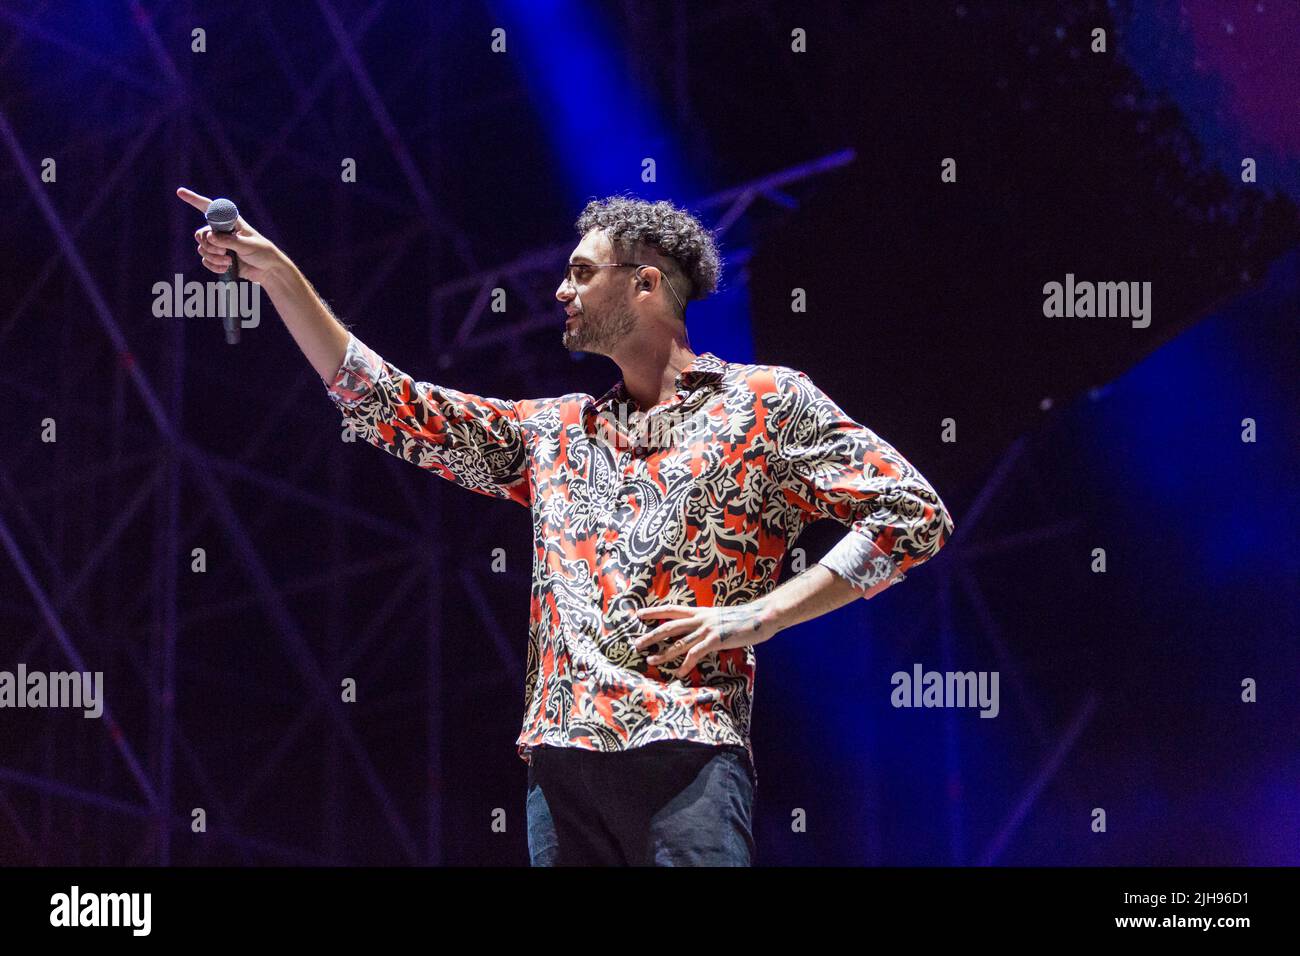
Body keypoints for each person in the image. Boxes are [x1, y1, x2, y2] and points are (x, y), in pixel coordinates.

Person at [178, 188, 955, 866]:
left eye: (583, 273)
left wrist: (761, 615)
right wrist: (278, 275)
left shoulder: (766, 404)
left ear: (647, 283)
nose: (560, 290)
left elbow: (912, 513)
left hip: (687, 753)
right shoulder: (555, 434)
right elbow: (391, 406)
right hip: (559, 770)